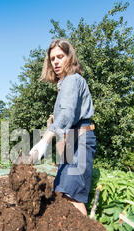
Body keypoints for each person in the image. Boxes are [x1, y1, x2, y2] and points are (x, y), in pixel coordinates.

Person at [29, 38, 96, 216]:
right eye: (53, 58)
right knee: (61, 192)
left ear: (70, 57)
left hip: (80, 139)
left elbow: (67, 114)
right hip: (71, 141)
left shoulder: (72, 80)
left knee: (72, 196)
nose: (56, 61)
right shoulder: (64, 84)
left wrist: (44, 141)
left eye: (60, 56)